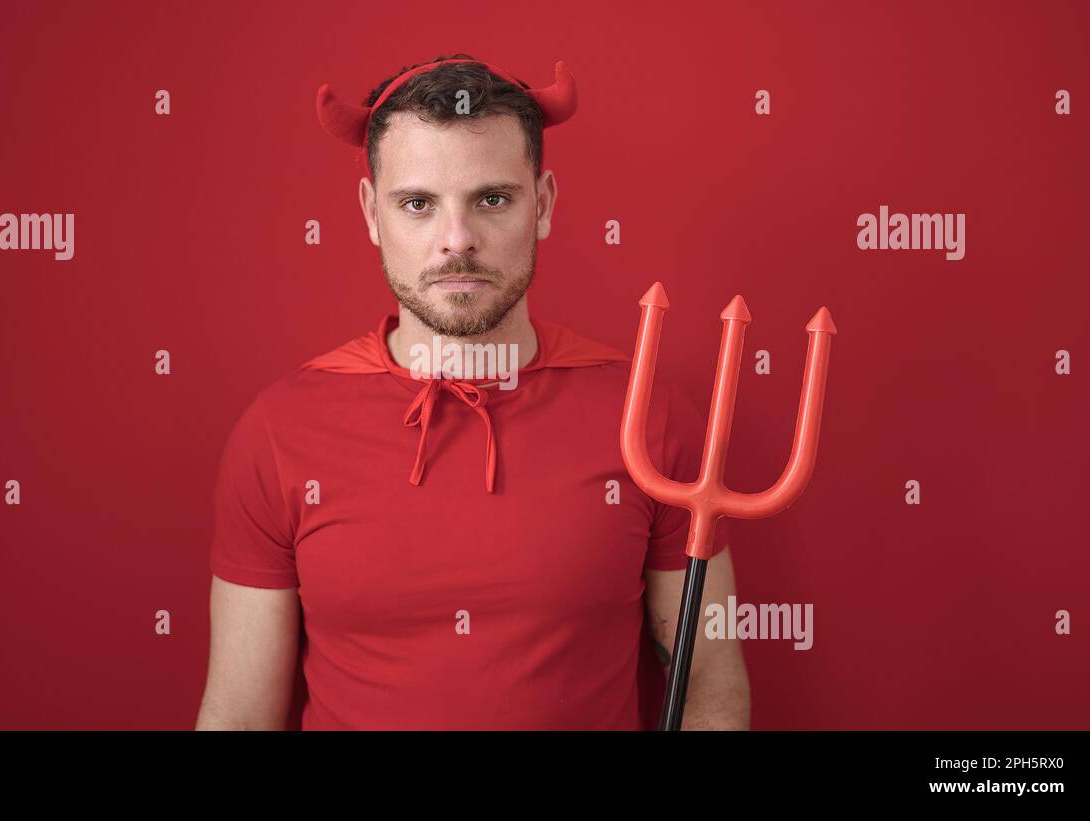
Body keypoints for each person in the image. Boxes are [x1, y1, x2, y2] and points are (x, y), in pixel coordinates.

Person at [195, 54, 750, 730]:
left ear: (541, 203)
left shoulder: (649, 420)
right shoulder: (279, 432)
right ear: (372, 213)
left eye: (492, 199)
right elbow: (241, 717)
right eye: (418, 204)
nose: (456, 242)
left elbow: (710, 689)